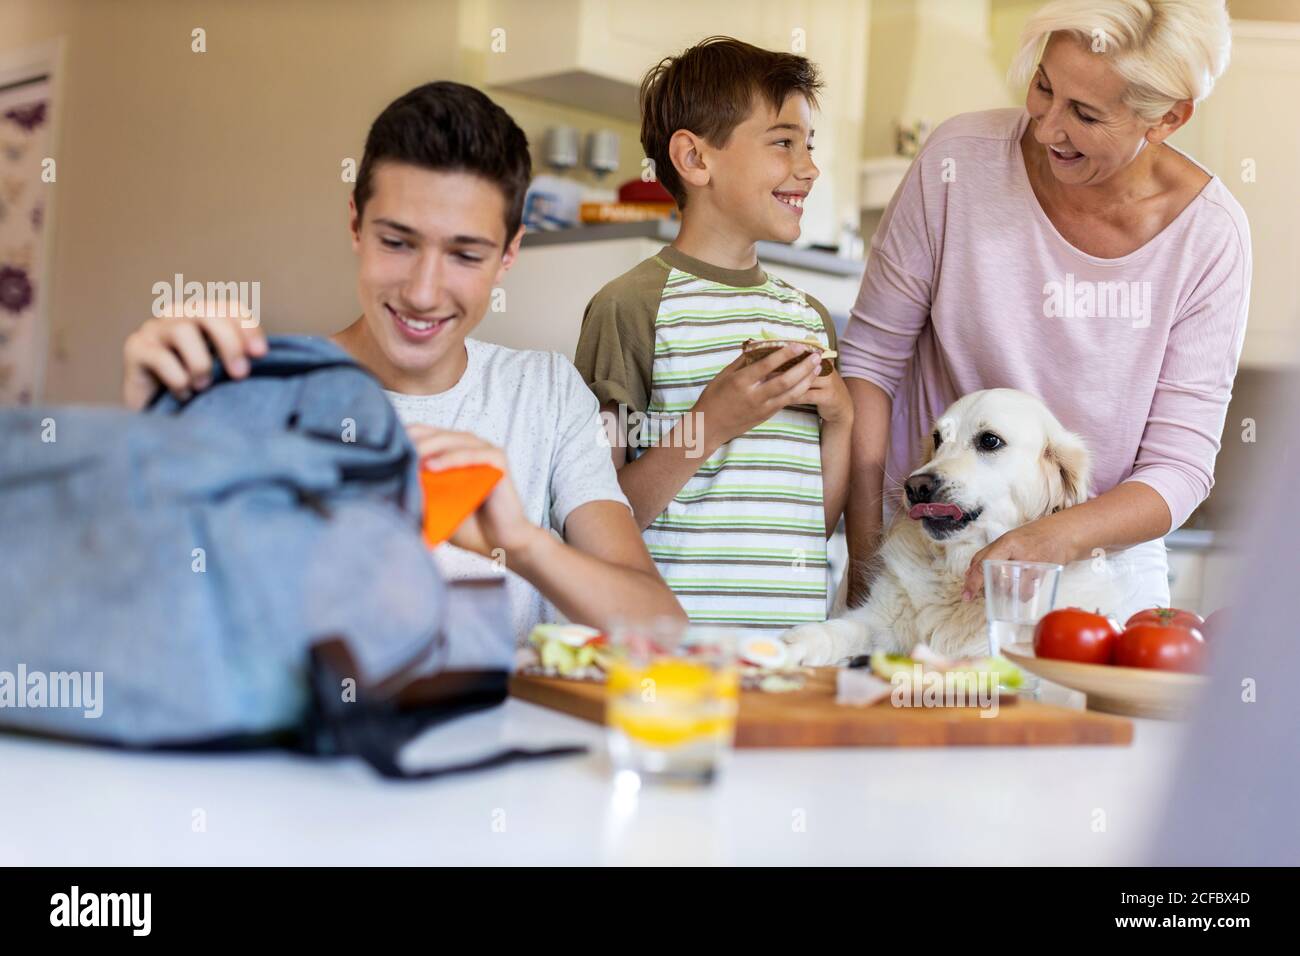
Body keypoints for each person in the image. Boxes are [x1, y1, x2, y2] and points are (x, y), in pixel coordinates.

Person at [121, 81, 685, 641]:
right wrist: (151, 434)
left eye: (465, 254)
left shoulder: (545, 392)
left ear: (509, 253)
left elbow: (661, 626)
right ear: (355, 226)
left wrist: (521, 543)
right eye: (397, 242)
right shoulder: (260, 390)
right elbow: (149, 618)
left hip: (499, 731)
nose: (422, 291)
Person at [838, 0, 1248, 621]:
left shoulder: (1209, 238)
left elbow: (1180, 467)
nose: (1047, 126)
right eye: (1043, 87)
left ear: (1167, 117)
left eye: (1084, 114)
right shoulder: (958, 161)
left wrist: (1050, 540)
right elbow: (869, 366)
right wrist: (868, 574)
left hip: (1100, 567)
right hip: (922, 554)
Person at [575, 37, 854, 636]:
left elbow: (814, 523)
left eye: (809, 145)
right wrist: (711, 425)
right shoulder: (630, 308)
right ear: (696, 159)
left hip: (789, 651)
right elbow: (597, 518)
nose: (809, 167)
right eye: (783, 142)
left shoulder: (807, 317)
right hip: (673, 655)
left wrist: (842, 421)